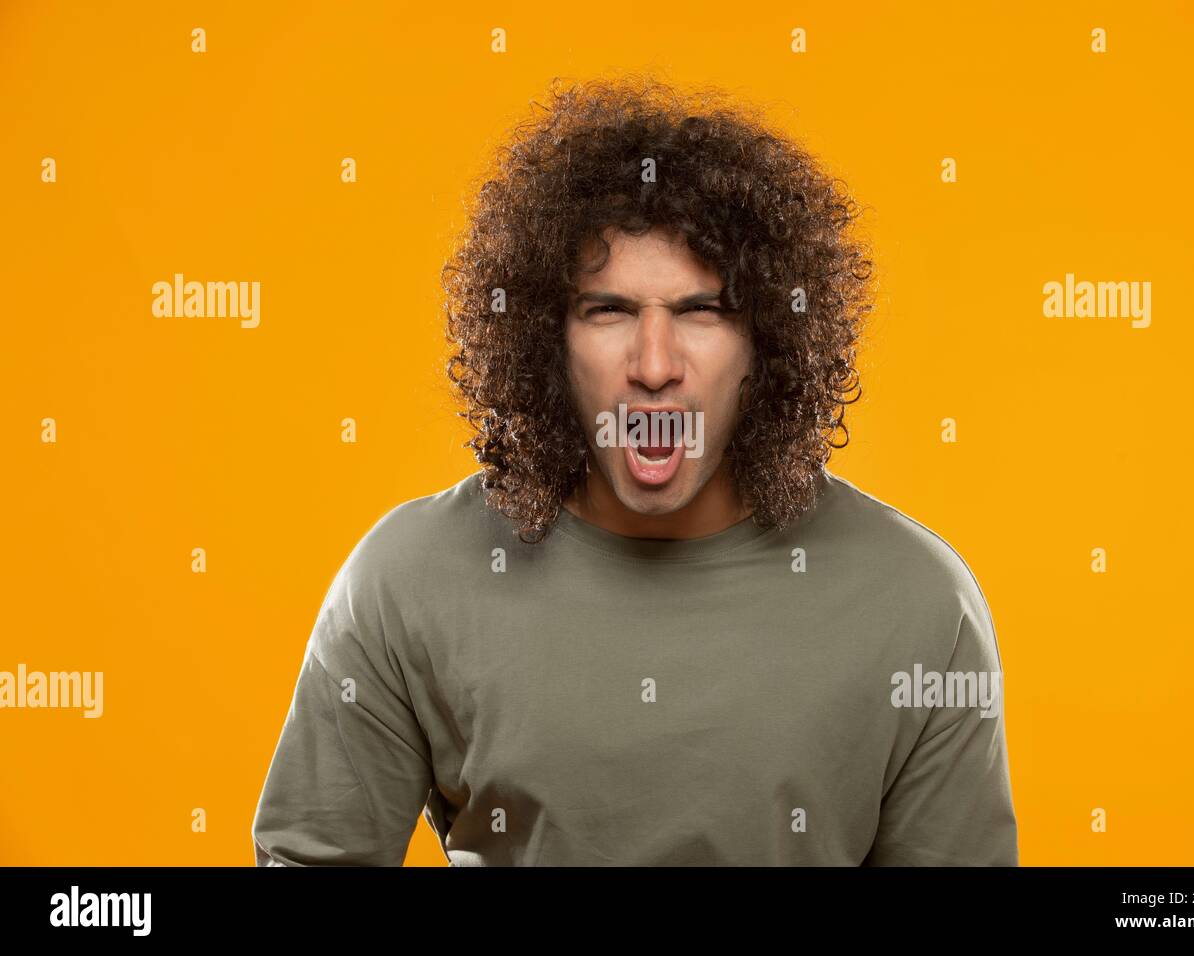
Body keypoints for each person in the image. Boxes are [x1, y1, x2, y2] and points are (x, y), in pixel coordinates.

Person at [251, 75, 1018, 866]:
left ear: (767, 346)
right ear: (548, 342)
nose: (655, 366)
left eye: (703, 311)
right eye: (608, 311)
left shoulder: (919, 604)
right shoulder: (405, 581)